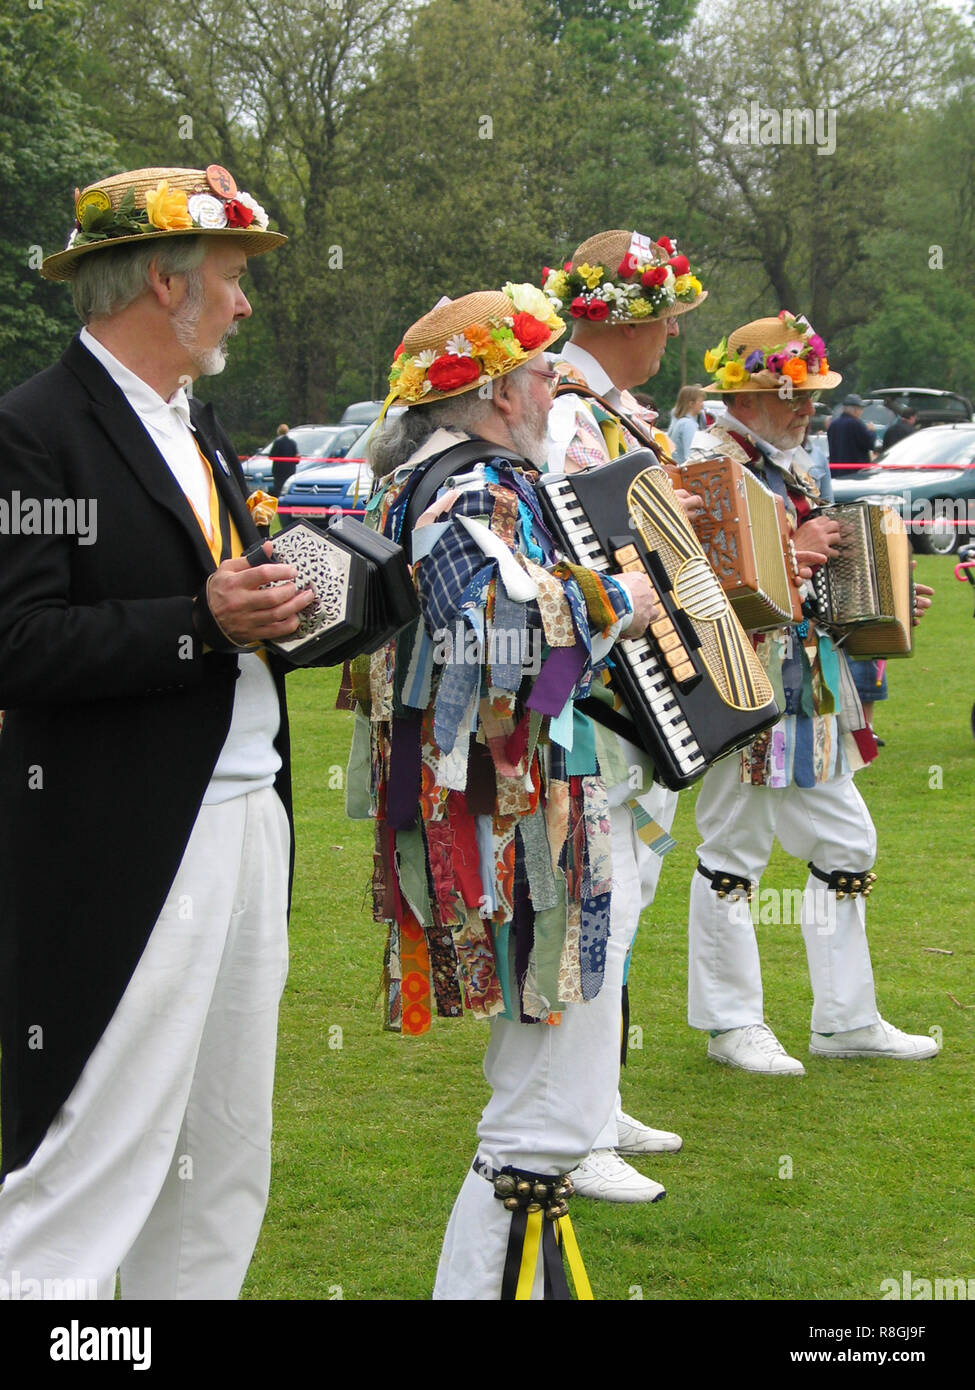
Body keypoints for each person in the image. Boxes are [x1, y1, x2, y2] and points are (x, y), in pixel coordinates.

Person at [0, 164, 318, 1300]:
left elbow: (226, 597)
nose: (243, 304)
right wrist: (198, 622)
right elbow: (19, 642)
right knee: (93, 1154)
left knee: (222, 1153)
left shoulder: (198, 423)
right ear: (166, 283)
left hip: (244, 811)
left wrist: (307, 605)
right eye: (232, 279)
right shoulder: (33, 430)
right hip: (121, 835)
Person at [346, 284, 658, 1299]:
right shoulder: (473, 489)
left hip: (512, 807)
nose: (551, 382)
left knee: (545, 1088)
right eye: (536, 370)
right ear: (492, 391)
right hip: (513, 814)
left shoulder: (445, 480)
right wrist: (620, 600)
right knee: (545, 1110)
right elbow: (495, 648)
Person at [685, 313, 937, 1073]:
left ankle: (845, 1019)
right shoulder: (707, 462)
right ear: (749, 395)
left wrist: (877, 599)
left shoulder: (788, 459)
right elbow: (704, 587)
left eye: (809, 396)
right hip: (743, 682)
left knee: (845, 843)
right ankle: (731, 1024)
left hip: (807, 686)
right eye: (791, 394)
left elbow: (809, 571)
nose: (806, 409)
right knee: (733, 847)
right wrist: (794, 555)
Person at [540, 229, 707, 1202]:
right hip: (596, 691)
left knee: (626, 893)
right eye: (667, 308)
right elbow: (581, 540)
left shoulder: (615, 410)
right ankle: (570, 1132)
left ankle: (596, 1105)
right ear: (626, 318)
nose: (678, 325)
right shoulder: (568, 412)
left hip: (640, 681)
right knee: (593, 903)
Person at [827, 393, 875, 473]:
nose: (861, 412)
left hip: (836, 473)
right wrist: (871, 431)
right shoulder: (857, 424)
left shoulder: (833, 425)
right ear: (855, 410)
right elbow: (870, 444)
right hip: (855, 473)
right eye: (861, 409)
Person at [668, 384, 708, 463]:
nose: (702, 404)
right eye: (700, 401)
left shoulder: (681, 422)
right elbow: (691, 457)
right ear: (691, 404)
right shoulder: (688, 424)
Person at [270, 421, 300, 495]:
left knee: (278, 488)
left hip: (279, 470)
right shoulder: (292, 442)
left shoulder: (277, 442)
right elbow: (296, 458)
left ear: (278, 431)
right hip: (290, 469)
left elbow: (272, 456)